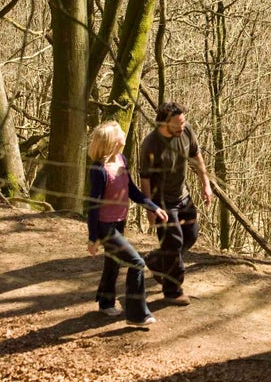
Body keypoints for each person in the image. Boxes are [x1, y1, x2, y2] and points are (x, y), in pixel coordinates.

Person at [86, 121, 168, 326]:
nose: (124, 132)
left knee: (113, 263)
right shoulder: (99, 170)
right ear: (113, 141)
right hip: (106, 227)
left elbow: (132, 191)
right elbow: (93, 206)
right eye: (120, 132)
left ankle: (105, 303)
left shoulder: (122, 160)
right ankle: (137, 314)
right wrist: (93, 237)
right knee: (137, 263)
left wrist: (153, 207)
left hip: (120, 222)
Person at [139, 101, 213, 305]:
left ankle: (156, 260)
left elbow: (196, 155)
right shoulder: (151, 144)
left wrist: (205, 183)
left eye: (183, 122)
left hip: (183, 196)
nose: (183, 126)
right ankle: (173, 291)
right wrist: (149, 208)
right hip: (162, 203)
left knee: (192, 234)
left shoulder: (186, 131)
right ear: (164, 123)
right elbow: (144, 178)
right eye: (178, 124)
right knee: (174, 244)